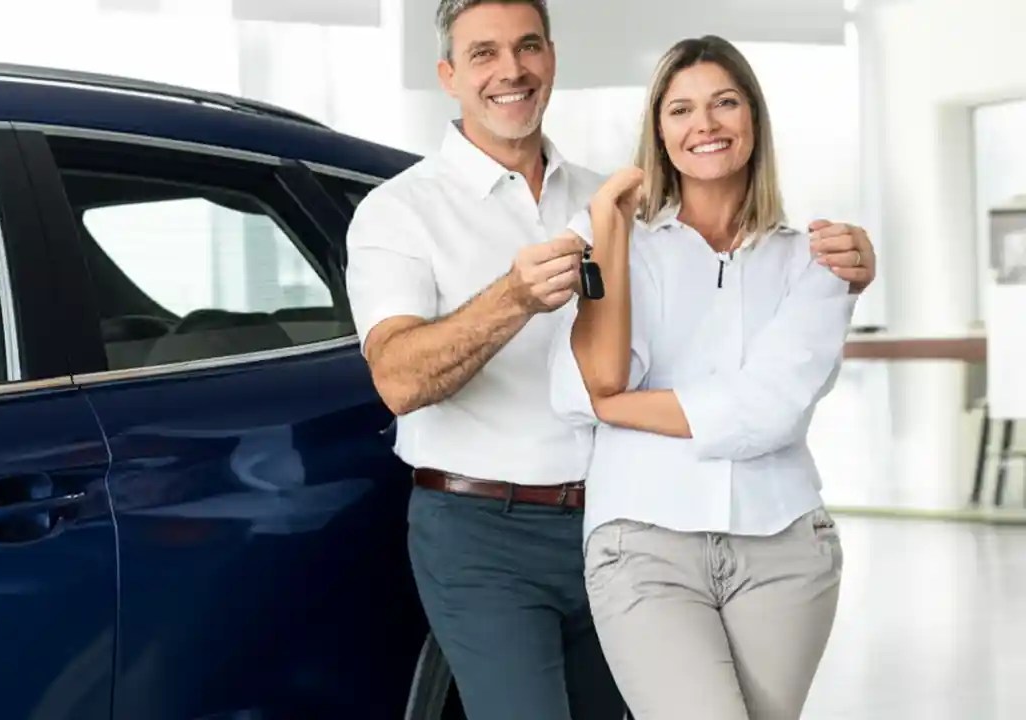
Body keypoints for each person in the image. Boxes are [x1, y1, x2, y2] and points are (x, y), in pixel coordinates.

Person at [345, 2, 877, 718]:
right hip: (484, 529)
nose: (511, 70)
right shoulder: (400, 210)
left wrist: (848, 273)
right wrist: (515, 295)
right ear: (447, 74)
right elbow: (399, 380)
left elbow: (726, 348)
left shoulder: (616, 201)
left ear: (552, 59)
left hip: (617, 519)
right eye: (483, 54)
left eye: (528, 47)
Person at [549, 35, 858, 720]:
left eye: (724, 103)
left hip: (785, 547)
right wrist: (609, 230)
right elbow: (584, 386)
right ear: (658, 132)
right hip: (643, 546)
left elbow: (768, 413)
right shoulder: (613, 236)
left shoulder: (816, 257)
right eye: (681, 110)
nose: (705, 125)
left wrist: (618, 404)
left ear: (754, 118)